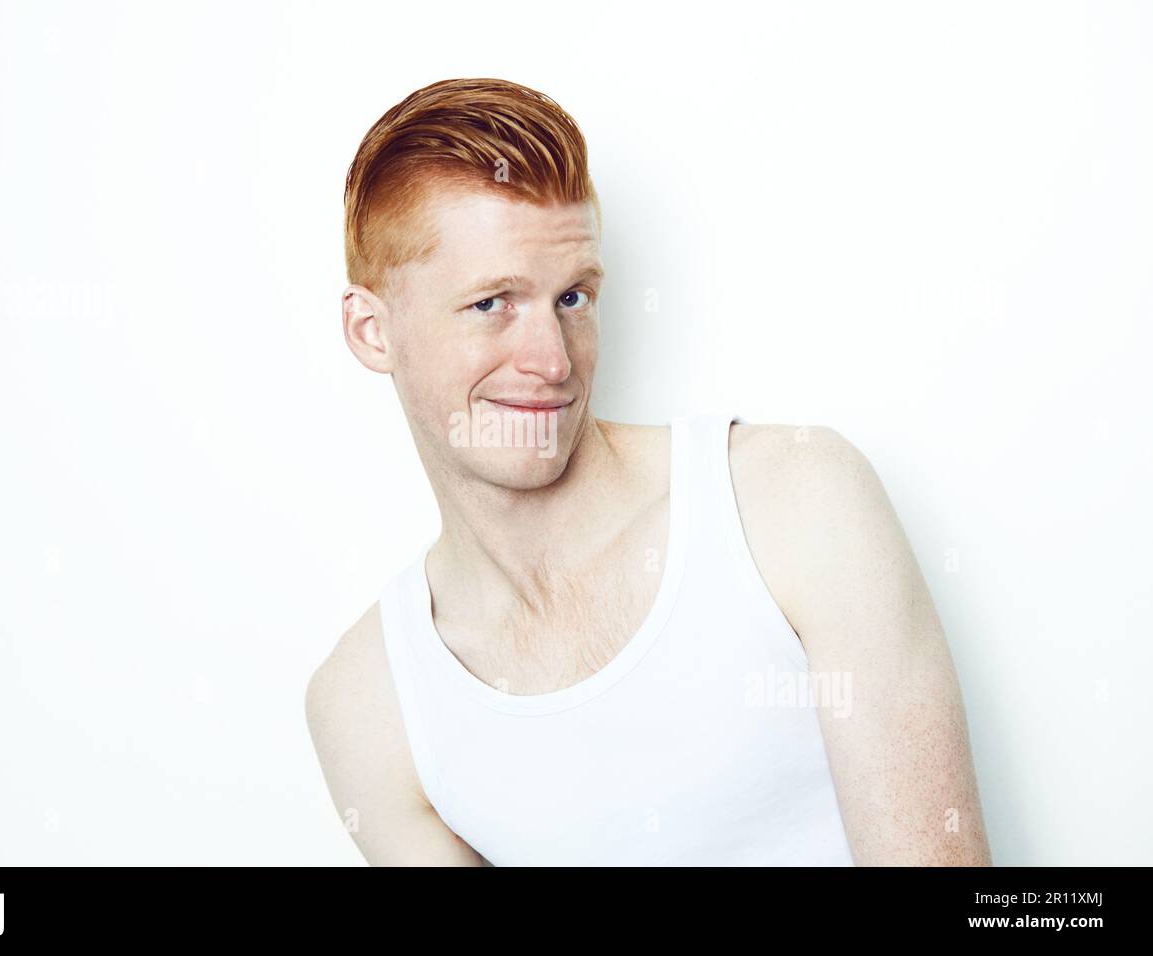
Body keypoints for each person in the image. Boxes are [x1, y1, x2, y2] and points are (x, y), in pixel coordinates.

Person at [304, 77, 992, 866]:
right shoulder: (369, 704)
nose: (553, 361)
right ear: (370, 331)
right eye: (492, 303)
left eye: (572, 296)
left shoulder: (793, 504)